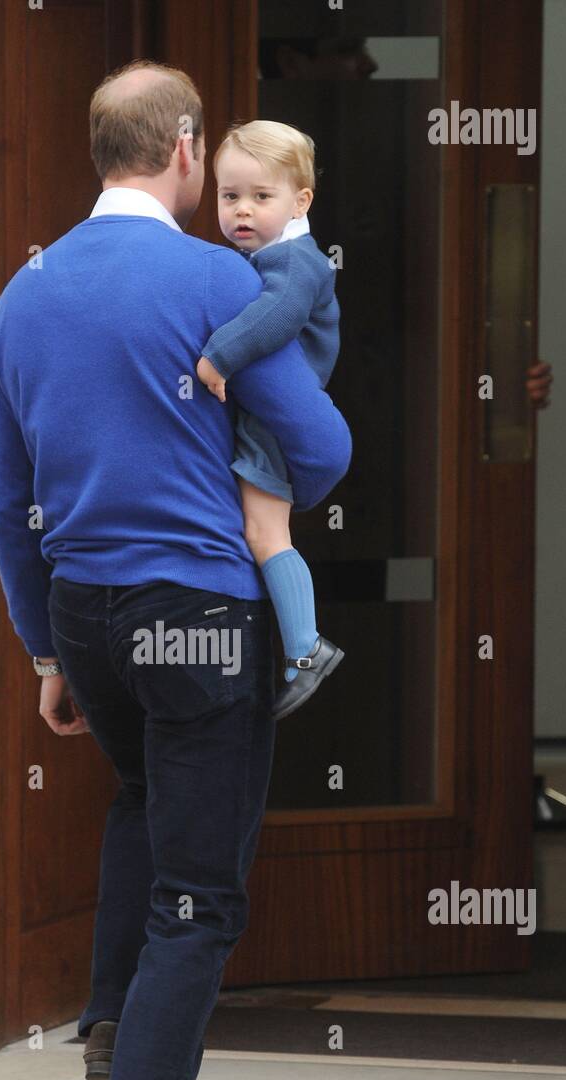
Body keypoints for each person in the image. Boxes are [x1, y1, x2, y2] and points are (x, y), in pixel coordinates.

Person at [0, 59, 351, 1080]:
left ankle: (103, 1016)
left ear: (102, 150)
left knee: (141, 796)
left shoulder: (18, 296)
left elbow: (5, 504)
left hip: (84, 613)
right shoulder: (217, 280)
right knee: (200, 907)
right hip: (193, 617)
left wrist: (43, 648)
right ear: (186, 149)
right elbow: (319, 441)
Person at [196, 118, 345, 720]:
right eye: (230, 197)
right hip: (267, 423)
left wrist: (217, 356)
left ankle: (307, 650)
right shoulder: (273, 255)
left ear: (301, 200)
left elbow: (278, 317)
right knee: (258, 532)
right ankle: (298, 645)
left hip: (273, 431)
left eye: (262, 197)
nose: (243, 212)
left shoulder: (296, 263)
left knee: (265, 533)